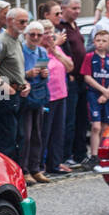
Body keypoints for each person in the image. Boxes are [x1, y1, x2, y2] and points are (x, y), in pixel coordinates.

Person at [0, 7, 30, 159]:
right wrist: (5, 87)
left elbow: (17, 69)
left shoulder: (17, 40)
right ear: (10, 21)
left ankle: (16, 171)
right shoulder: (1, 41)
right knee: (7, 136)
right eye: (22, 21)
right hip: (4, 91)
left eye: (26, 22)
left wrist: (25, 83)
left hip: (16, 91)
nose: (25, 25)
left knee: (18, 135)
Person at [58, 0, 89, 166]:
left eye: (79, 8)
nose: (77, 11)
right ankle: (66, 154)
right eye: (74, 8)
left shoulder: (75, 25)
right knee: (69, 119)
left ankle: (80, 153)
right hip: (69, 79)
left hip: (82, 78)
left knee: (81, 119)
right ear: (64, 8)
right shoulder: (60, 28)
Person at [81, 30, 109, 168]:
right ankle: (94, 155)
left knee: (105, 126)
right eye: (98, 40)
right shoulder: (90, 57)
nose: (100, 43)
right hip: (94, 95)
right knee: (95, 126)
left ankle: (104, 154)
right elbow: (87, 77)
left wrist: (108, 92)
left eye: (104, 41)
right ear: (94, 42)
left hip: (108, 96)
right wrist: (103, 91)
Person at [40, 25, 74, 174]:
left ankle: (55, 163)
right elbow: (39, 71)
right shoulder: (40, 51)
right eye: (45, 32)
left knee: (58, 132)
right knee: (44, 133)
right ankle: (40, 165)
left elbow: (70, 67)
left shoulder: (57, 49)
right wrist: (49, 50)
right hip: (47, 97)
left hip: (61, 94)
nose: (49, 35)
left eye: (50, 32)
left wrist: (55, 51)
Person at [20, 21, 51, 183]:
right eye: (32, 34)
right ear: (25, 35)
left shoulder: (42, 52)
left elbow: (46, 77)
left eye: (39, 35)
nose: (35, 37)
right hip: (24, 96)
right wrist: (28, 73)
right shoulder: (21, 50)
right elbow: (15, 73)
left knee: (37, 134)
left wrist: (45, 74)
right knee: (26, 135)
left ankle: (35, 168)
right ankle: (24, 170)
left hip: (38, 96)